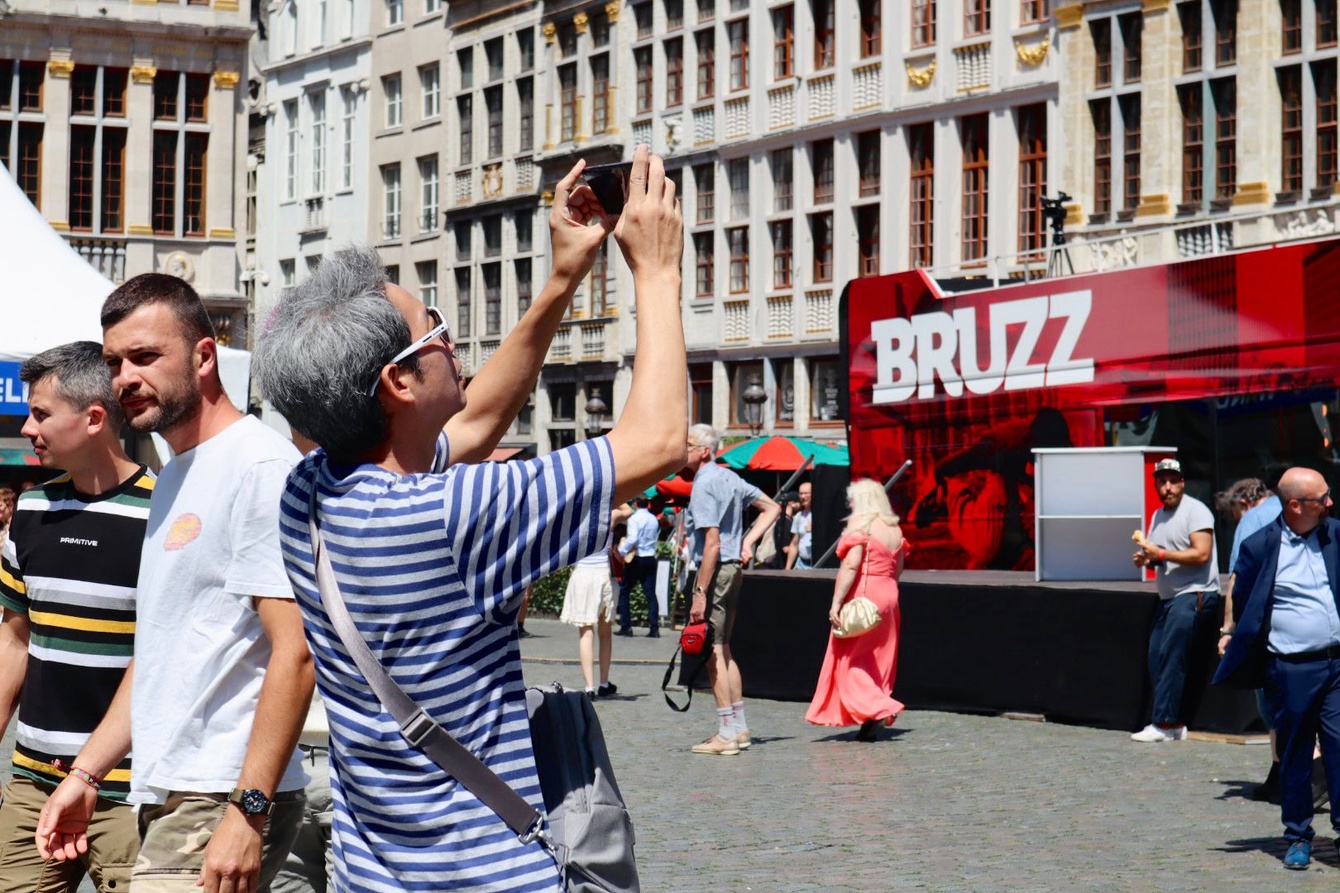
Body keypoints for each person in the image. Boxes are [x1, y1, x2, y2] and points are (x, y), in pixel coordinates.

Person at [255, 147, 686, 892]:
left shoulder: (310, 494)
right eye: (439, 332)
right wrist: (656, 268)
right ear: (396, 381)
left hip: (374, 876)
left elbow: (479, 419)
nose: (455, 343)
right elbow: (657, 442)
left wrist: (562, 278)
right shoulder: (449, 515)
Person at [36, 274, 315, 893]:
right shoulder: (173, 475)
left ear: (204, 355)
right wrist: (86, 775)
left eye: (144, 356)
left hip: (221, 793)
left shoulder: (261, 466)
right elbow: (162, 652)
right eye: (114, 362)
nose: (125, 377)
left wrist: (249, 810)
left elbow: (295, 652)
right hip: (174, 789)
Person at [0, 342, 153, 893]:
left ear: (93, 419)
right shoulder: (33, 510)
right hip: (32, 786)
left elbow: (161, 659)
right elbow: (15, 641)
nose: (26, 428)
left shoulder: (163, 515)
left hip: (130, 793)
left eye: (40, 413)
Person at [1214, 467, 1340, 870]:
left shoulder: (1335, 535)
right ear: (1295, 505)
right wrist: (1230, 630)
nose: (1329, 503)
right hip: (1290, 668)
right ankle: (1298, 835)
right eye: (1322, 498)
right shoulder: (1261, 545)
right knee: (1296, 755)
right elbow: (1243, 591)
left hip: (1337, 664)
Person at [681, 423, 781, 755]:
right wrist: (746, 541)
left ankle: (726, 733)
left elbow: (710, 544)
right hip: (731, 568)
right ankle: (738, 728)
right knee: (724, 648)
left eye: (689, 445)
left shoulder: (705, 483)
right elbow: (773, 508)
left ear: (704, 451)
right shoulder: (730, 477)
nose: (683, 450)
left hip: (716, 569)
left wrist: (699, 591)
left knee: (712, 651)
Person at [805, 479, 909, 741]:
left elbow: (850, 566)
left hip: (865, 592)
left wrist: (836, 602)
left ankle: (881, 708)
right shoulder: (893, 528)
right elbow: (898, 569)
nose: (849, 504)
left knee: (850, 658)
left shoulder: (860, 524)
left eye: (852, 499)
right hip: (889, 594)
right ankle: (873, 715)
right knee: (879, 658)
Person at [1131, 458, 1220, 743]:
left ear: (1182, 482)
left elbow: (1201, 554)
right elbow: (1162, 554)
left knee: (1172, 655)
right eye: (1162, 481)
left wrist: (1159, 555)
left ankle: (1165, 724)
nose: (1167, 487)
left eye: (1172, 480)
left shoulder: (1197, 511)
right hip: (1168, 597)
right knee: (1156, 656)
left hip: (1194, 593)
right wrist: (1146, 559)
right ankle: (1174, 721)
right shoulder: (1158, 516)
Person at [1214, 478, 1284, 802]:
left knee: (1270, 702)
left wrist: (1229, 628)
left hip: (1264, 624)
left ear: (1243, 504)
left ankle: (1300, 773)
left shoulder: (1253, 520)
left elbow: (1237, 579)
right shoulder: (1292, 513)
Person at [561, 506, 633, 698]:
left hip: (582, 574)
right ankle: (604, 682)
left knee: (585, 633)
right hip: (603, 574)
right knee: (605, 633)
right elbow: (628, 510)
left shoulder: (574, 514)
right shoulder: (608, 514)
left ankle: (589, 686)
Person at [617, 496, 662, 636]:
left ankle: (626, 626)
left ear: (635, 504)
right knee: (650, 594)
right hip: (650, 557)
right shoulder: (654, 519)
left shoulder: (634, 519)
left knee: (624, 591)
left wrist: (621, 551)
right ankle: (654, 628)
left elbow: (633, 538)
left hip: (637, 558)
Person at [785, 481, 814, 569]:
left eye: (806, 493)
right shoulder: (798, 516)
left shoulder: (822, 515)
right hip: (801, 564)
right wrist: (787, 568)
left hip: (818, 565)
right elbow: (794, 544)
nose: (803, 497)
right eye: (800, 494)